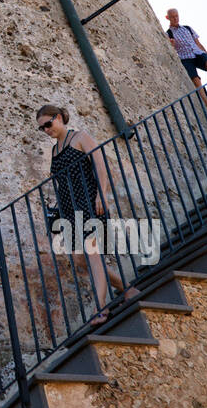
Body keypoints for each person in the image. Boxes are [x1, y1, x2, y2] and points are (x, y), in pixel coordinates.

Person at [36, 104, 138, 325]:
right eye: (42, 128)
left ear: (60, 117)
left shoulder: (80, 137)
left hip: (89, 202)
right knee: (81, 258)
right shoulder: (55, 150)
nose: (46, 130)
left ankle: (101, 307)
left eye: (48, 124)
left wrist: (102, 195)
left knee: (93, 255)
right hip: (68, 209)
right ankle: (128, 290)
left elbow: (101, 166)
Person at [165, 8, 207, 104]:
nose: (175, 18)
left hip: (197, 53)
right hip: (185, 57)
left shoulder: (187, 28)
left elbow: (197, 43)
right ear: (167, 18)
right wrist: (171, 44)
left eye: (176, 16)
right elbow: (171, 50)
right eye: (172, 17)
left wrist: (206, 54)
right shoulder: (168, 33)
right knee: (195, 80)